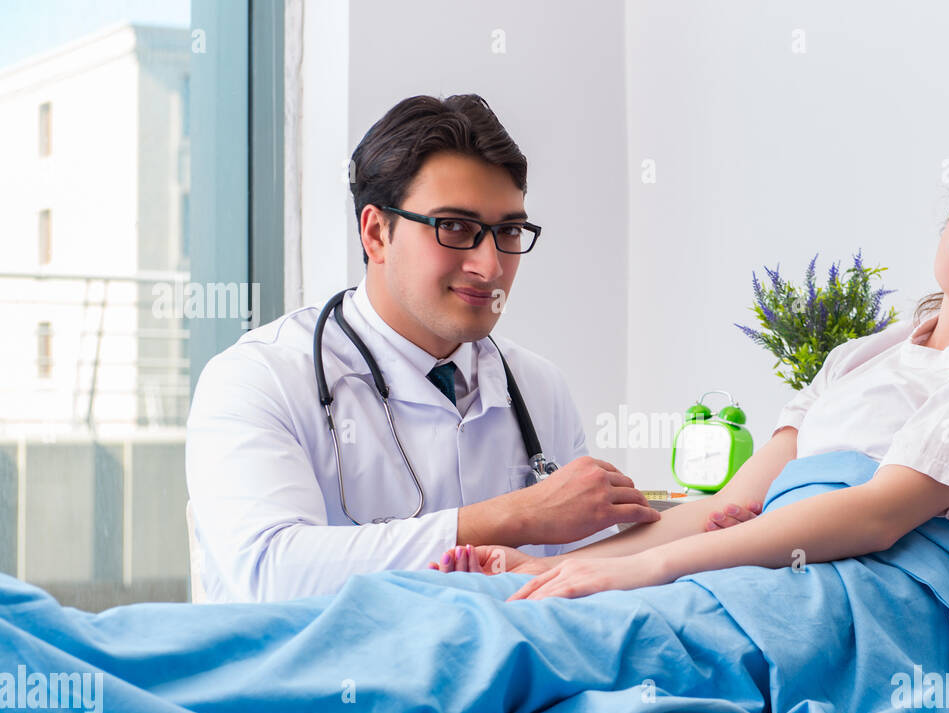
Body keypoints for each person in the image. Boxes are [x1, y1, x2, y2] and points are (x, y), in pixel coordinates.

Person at [434, 125, 949, 595]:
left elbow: (876, 517)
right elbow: (731, 505)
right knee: (493, 607)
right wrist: (565, 566)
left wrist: (648, 572)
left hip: (872, 596)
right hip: (772, 568)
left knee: (549, 648)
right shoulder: (865, 355)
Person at [185, 94, 762, 603]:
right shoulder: (259, 377)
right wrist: (514, 516)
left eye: (508, 232)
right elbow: (267, 574)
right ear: (376, 233)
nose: (490, 266)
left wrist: (697, 536)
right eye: (455, 228)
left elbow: (576, 581)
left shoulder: (538, 388)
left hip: (497, 700)